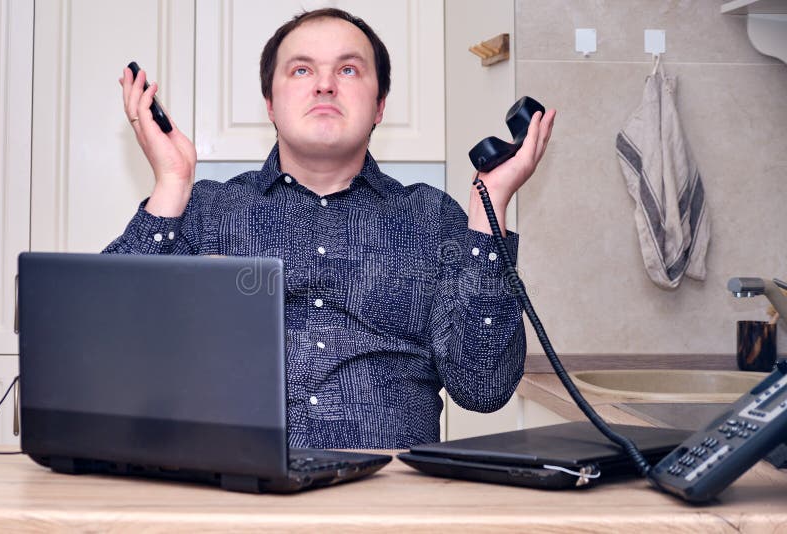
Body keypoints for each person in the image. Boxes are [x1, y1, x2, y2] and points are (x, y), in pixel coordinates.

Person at [105, 8, 556, 448]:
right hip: (228, 481)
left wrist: (489, 212)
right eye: (302, 70)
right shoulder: (205, 208)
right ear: (270, 105)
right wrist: (171, 183)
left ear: (379, 106)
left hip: (389, 490)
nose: (324, 85)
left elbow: (483, 387)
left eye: (348, 70)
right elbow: (107, 345)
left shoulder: (433, 217)